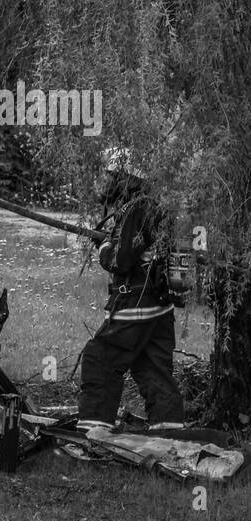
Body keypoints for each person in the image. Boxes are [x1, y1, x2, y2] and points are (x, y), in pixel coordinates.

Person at [76, 147, 184, 434]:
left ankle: (93, 433)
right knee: (154, 370)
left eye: (112, 176)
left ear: (127, 179)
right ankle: (168, 434)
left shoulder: (138, 209)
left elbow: (121, 261)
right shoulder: (155, 206)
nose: (107, 182)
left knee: (99, 359)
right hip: (160, 307)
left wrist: (104, 248)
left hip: (136, 303)